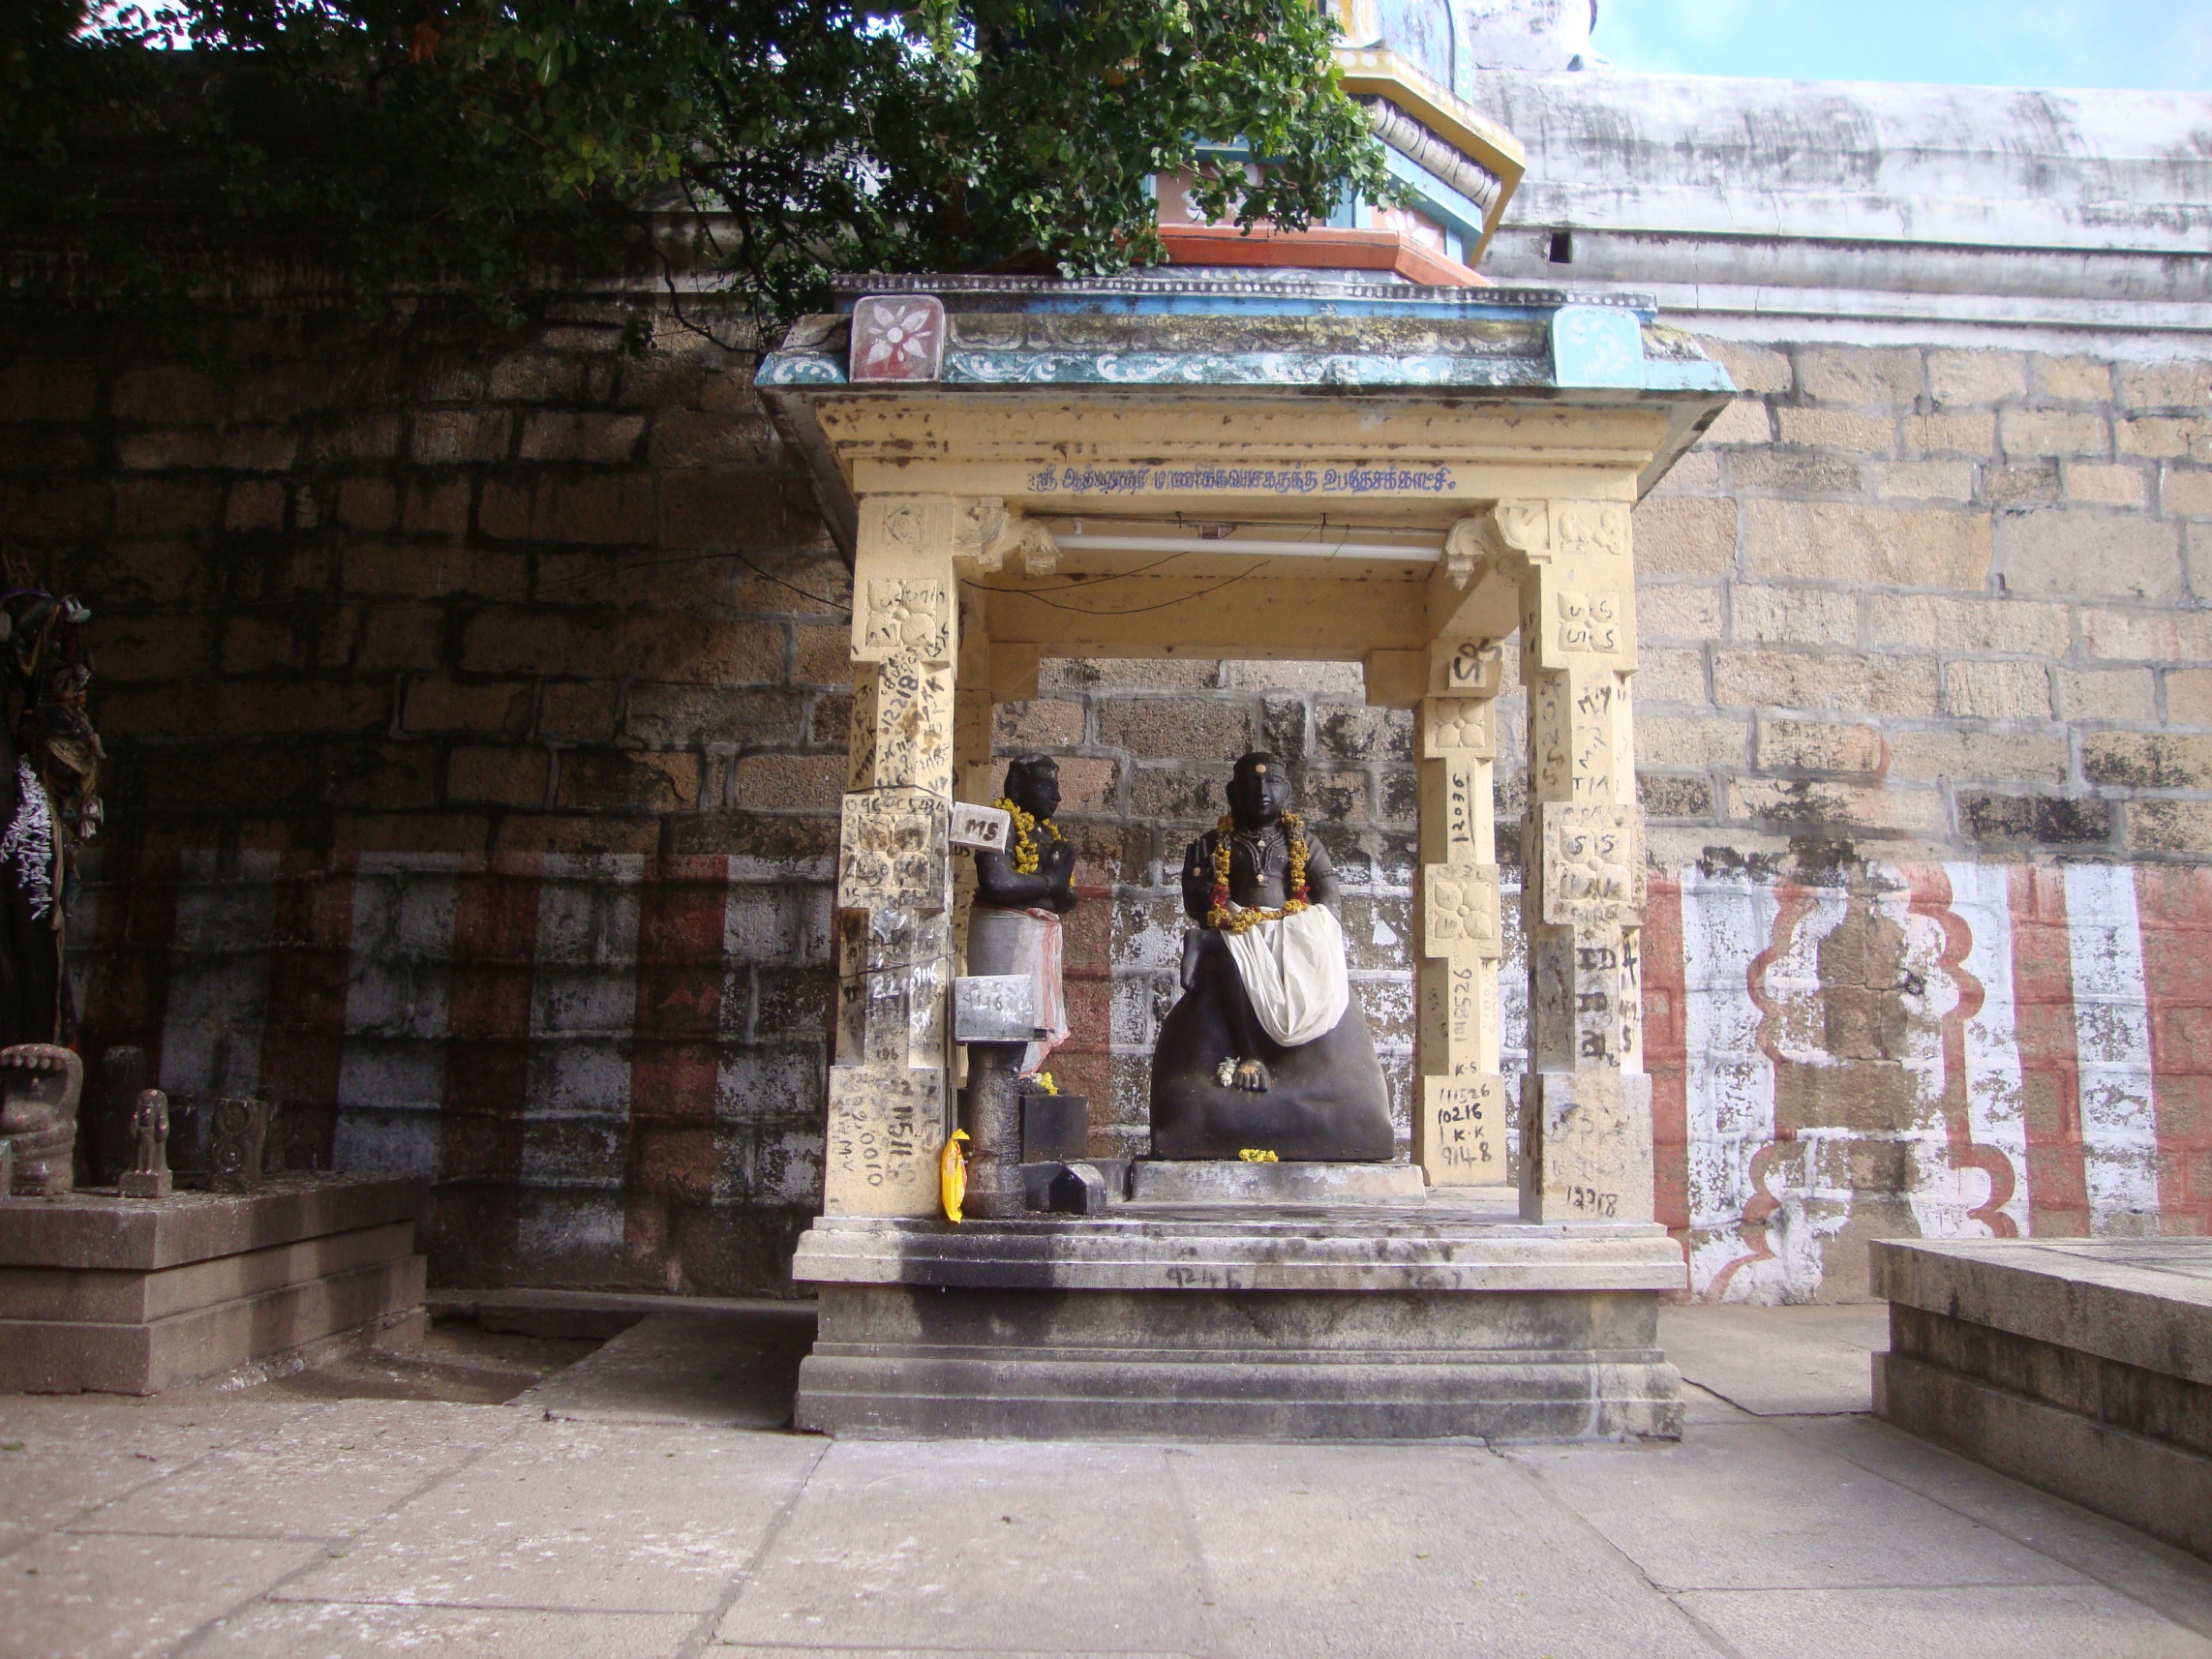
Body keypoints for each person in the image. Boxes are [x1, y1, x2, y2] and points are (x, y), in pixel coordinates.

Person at [1149, 752, 1394, 1161]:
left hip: (1290, 938)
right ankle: (1249, 1054)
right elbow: (1201, 907)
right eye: (1249, 785)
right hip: (1237, 937)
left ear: (1288, 791)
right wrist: (1195, 888)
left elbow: (1330, 901)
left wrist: (1289, 925)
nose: (1261, 792)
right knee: (1228, 950)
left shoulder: (1302, 842)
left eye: (1272, 783)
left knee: (1303, 944)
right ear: (1231, 793)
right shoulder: (1216, 843)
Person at [968, 756, 1076, 1078]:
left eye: (1056, 787)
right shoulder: (998, 819)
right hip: (1003, 935)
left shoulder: (1046, 833)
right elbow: (997, 882)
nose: (1055, 796)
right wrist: (1049, 884)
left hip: (1036, 937)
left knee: (1032, 1019)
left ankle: (1025, 1075)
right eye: (1046, 786)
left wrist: (1059, 884)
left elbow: (1067, 897)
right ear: (1016, 786)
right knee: (1003, 1021)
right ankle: (1003, 1078)